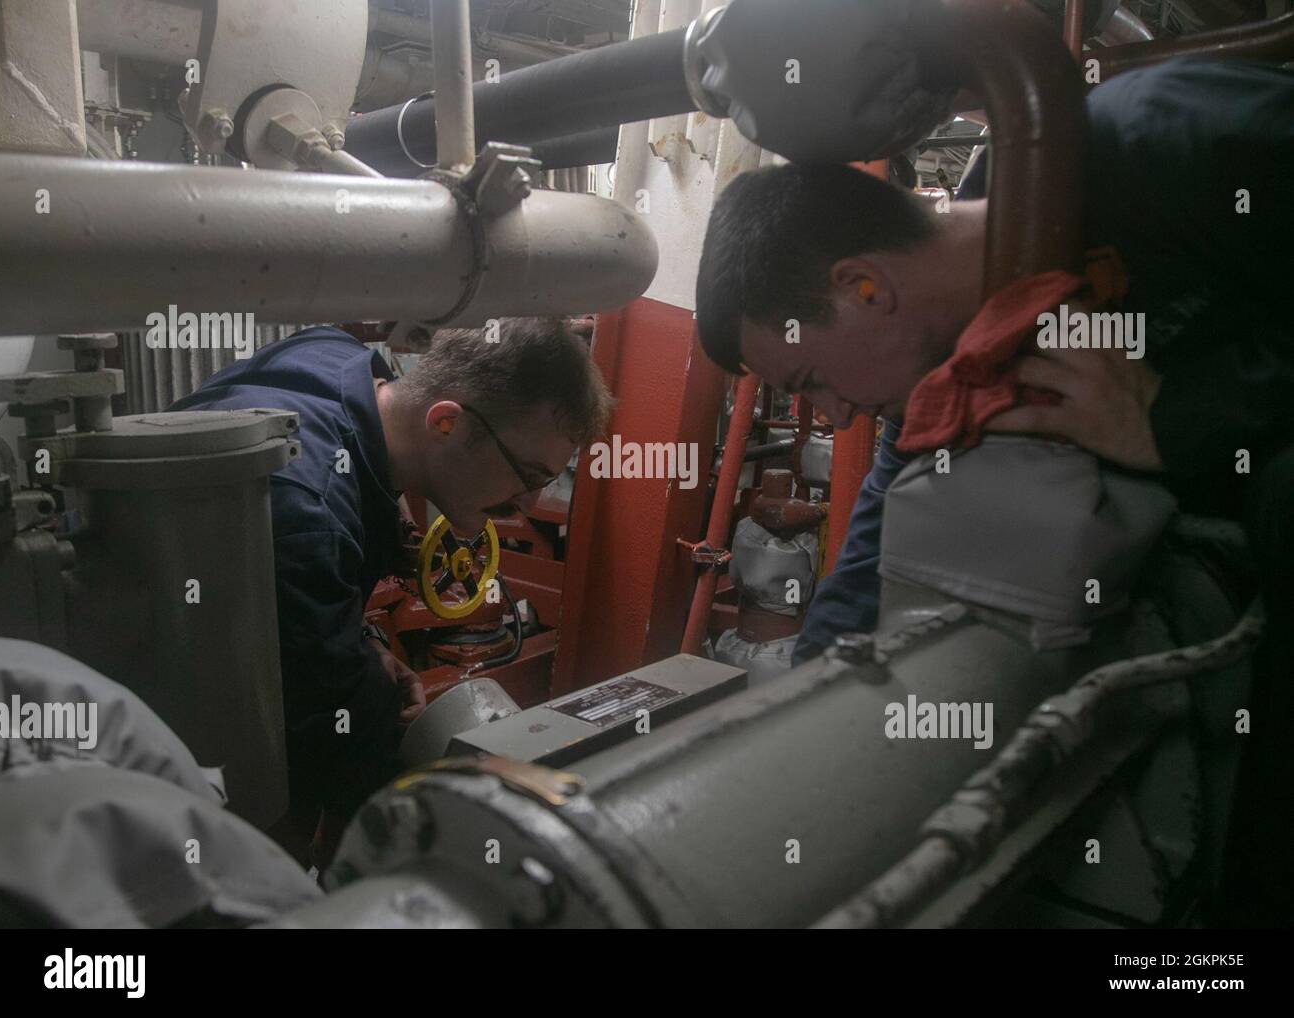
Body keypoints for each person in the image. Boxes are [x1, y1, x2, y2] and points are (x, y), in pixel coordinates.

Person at [695, 59, 1293, 924]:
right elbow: (874, 545)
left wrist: (1179, 421)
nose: (827, 414)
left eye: (811, 378)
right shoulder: (951, 370)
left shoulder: (1153, 143)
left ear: (864, 287)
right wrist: (808, 717)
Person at [172, 317, 613, 859]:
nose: (527, 503)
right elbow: (340, 756)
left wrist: (366, 644)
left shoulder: (335, 355)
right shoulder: (308, 517)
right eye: (528, 474)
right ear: (446, 422)